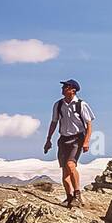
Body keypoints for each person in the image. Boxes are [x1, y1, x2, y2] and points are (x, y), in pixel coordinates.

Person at [43, 79, 93, 208]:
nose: (63, 88)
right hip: (63, 139)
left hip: (77, 139)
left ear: (73, 90)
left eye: (66, 86)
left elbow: (89, 124)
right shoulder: (58, 105)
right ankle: (69, 197)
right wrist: (48, 139)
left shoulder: (81, 105)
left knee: (71, 165)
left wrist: (86, 141)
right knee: (65, 171)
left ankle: (77, 194)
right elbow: (54, 122)